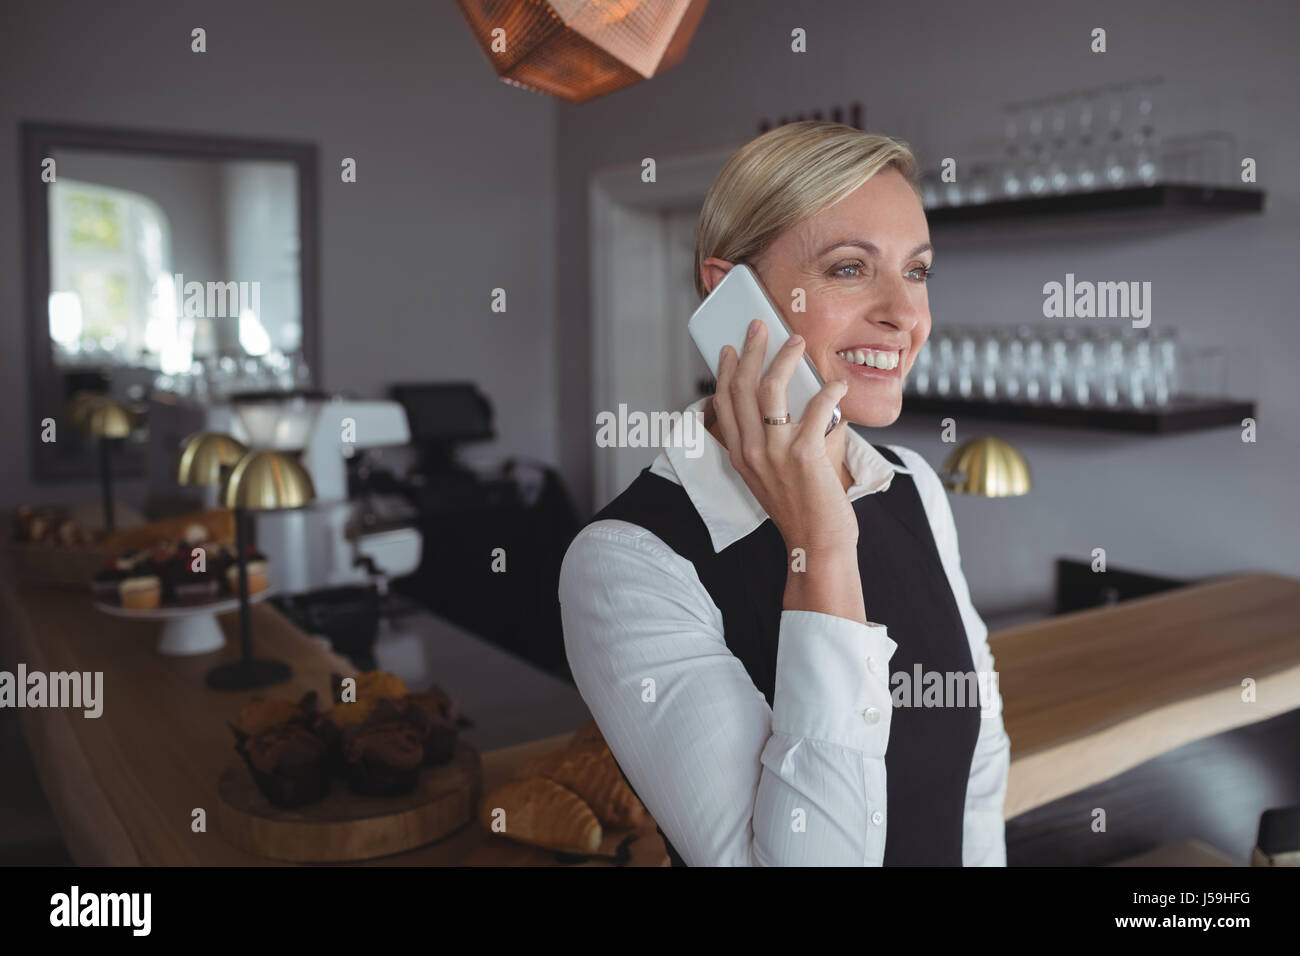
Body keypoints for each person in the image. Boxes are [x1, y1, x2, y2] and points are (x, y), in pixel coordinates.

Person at [560, 121, 1010, 866]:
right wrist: (821, 546)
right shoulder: (627, 566)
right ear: (728, 294)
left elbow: (979, 775)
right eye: (848, 269)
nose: (905, 314)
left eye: (918, 271)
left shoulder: (913, 488)